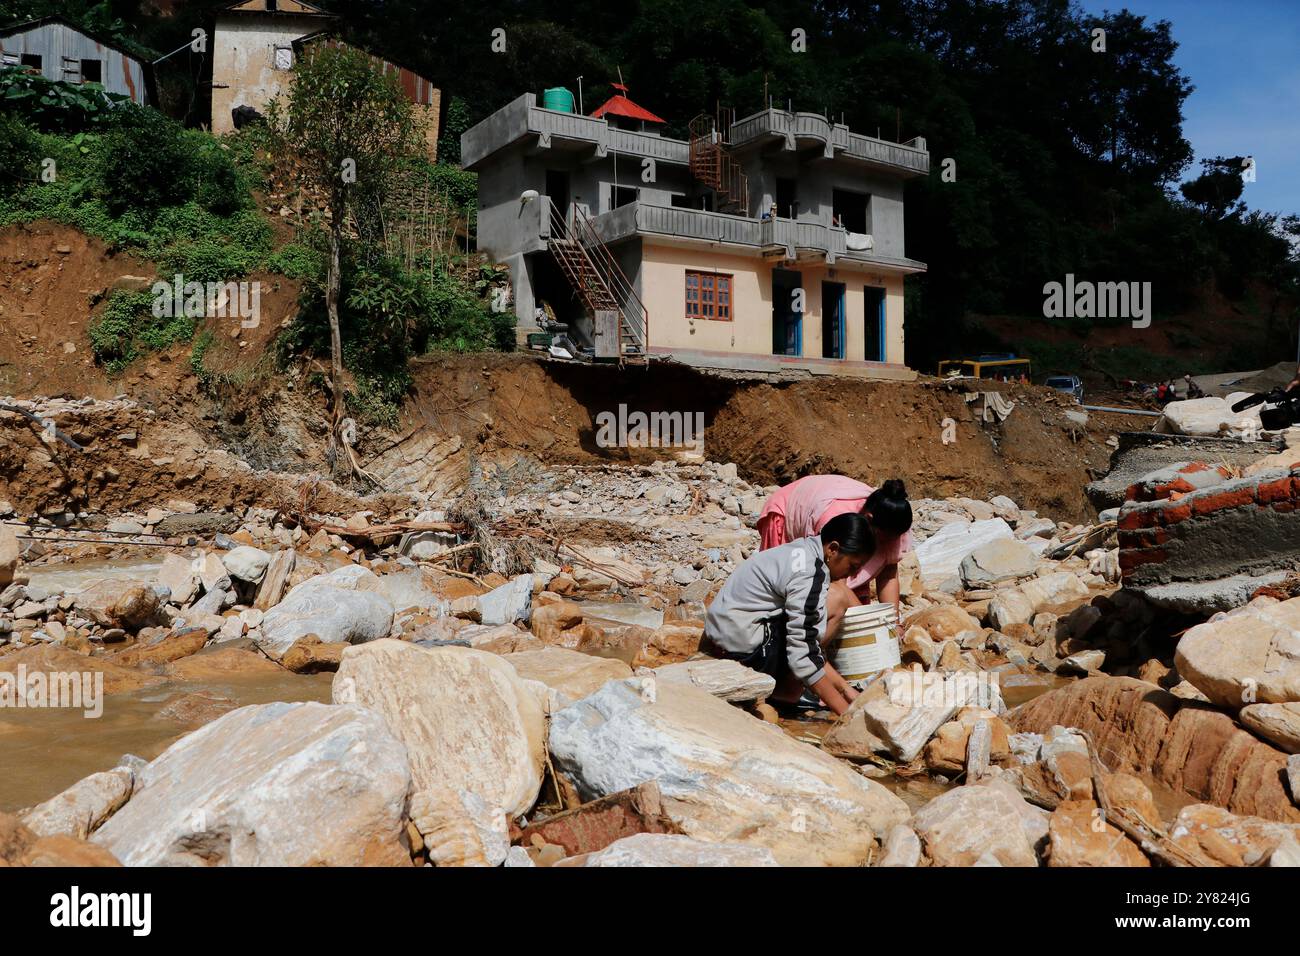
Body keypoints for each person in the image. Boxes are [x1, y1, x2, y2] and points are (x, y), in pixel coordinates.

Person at [703, 512, 874, 715]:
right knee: (829, 608)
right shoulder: (810, 573)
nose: (853, 574)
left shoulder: (803, 548)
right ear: (833, 549)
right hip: (743, 647)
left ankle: (799, 689)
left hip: (723, 632)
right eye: (853, 566)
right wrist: (845, 713)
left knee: (812, 621)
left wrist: (847, 691)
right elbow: (803, 654)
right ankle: (785, 692)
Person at [757, 475, 914, 635]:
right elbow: (833, 579)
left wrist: (894, 623)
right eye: (884, 538)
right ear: (869, 519)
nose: (889, 543)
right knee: (789, 589)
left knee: (846, 609)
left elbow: (888, 575)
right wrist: (871, 625)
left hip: (831, 503)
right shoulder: (836, 521)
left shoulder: (894, 527)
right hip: (790, 506)